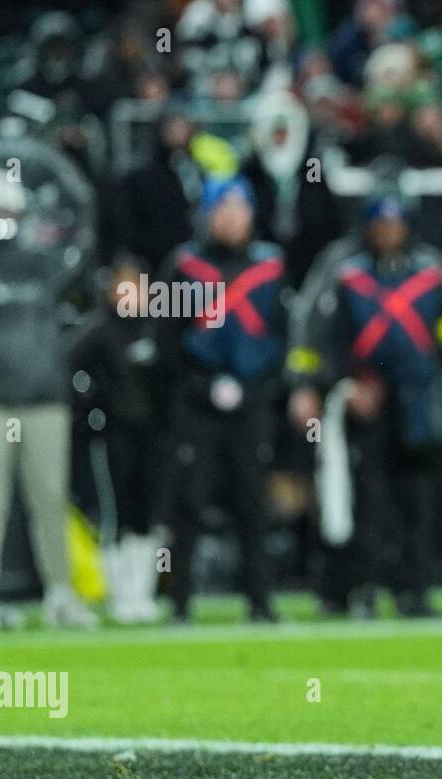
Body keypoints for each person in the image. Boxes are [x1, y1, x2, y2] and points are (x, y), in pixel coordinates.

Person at [0, 168, 96, 631]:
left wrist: (68, 177)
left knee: (50, 500)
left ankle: (60, 593)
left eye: (8, 208)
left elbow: (86, 241)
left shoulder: (42, 261)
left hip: (42, 399)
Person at [307, 194, 442, 617]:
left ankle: (415, 590)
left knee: (419, 500)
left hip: (418, 403)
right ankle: (362, 586)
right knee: (366, 500)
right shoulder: (349, 278)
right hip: (368, 402)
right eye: (380, 223)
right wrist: (344, 386)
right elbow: (331, 343)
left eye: (396, 222)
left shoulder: (430, 275)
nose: (389, 231)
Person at [157, 176, 286, 623]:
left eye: (239, 208)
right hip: (195, 404)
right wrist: (200, 385)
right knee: (188, 501)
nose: (231, 218)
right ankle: (180, 603)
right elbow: (165, 342)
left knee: (252, 501)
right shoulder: (185, 265)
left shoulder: (271, 265)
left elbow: (282, 337)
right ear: (208, 214)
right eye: (223, 208)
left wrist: (258, 390)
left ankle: (260, 601)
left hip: (251, 403)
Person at [69, 257, 168, 623]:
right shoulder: (98, 330)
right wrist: (92, 410)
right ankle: (120, 593)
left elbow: (172, 375)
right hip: (112, 434)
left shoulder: (157, 328)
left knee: (149, 513)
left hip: (153, 435)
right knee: (117, 513)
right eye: (122, 286)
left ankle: (143, 591)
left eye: (136, 286)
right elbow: (73, 369)